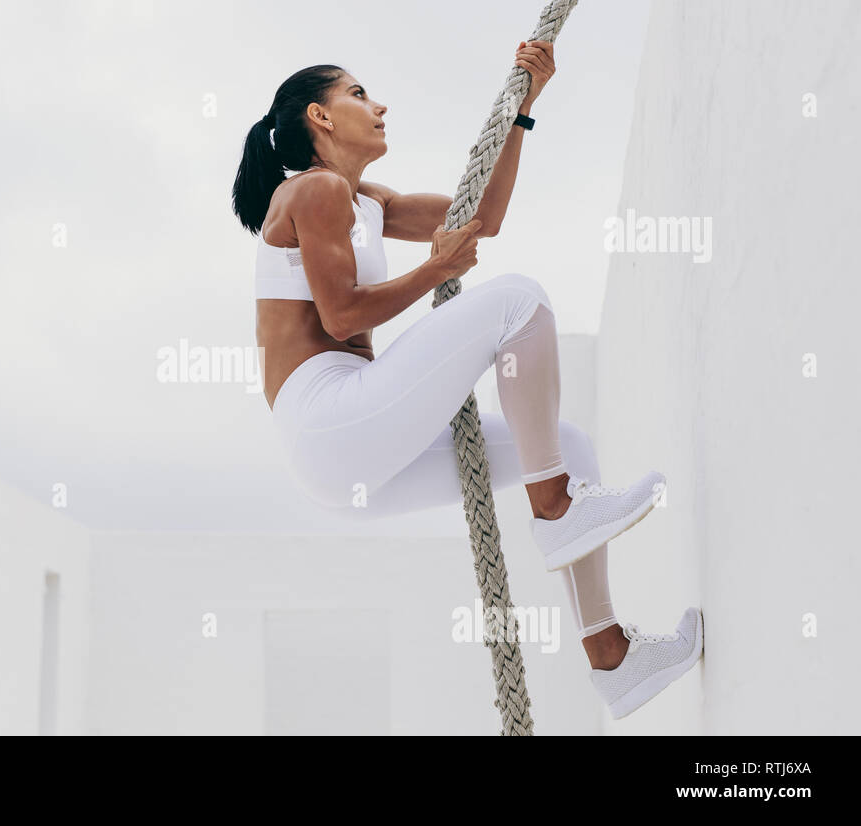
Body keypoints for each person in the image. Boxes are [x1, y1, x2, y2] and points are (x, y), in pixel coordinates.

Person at [230, 45, 702, 720]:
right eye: (360, 94)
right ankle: (557, 511)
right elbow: (340, 314)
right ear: (320, 117)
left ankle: (612, 657)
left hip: (351, 450)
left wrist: (523, 110)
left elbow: (481, 218)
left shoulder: (364, 200)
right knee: (519, 301)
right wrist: (433, 270)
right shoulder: (314, 190)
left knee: (569, 446)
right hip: (327, 414)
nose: (379, 105)